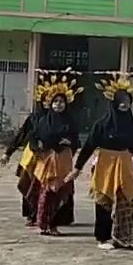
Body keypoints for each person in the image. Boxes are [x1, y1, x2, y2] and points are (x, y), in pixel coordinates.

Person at [68, 73, 133, 250]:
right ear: (115, 102)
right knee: (104, 199)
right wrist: (78, 167)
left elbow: (132, 146)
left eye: (128, 101)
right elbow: (89, 146)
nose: (125, 104)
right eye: (121, 101)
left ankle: (123, 236)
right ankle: (102, 238)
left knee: (127, 199)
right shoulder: (102, 124)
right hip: (106, 164)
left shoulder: (131, 124)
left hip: (124, 164)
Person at [24, 72, 82, 236]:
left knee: (61, 194)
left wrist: (68, 143)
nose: (58, 105)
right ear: (50, 104)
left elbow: (76, 140)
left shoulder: (70, 121)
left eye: (61, 101)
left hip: (63, 160)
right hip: (47, 161)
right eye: (55, 101)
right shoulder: (43, 121)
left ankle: (54, 223)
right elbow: (33, 139)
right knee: (47, 193)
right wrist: (39, 148)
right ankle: (44, 224)